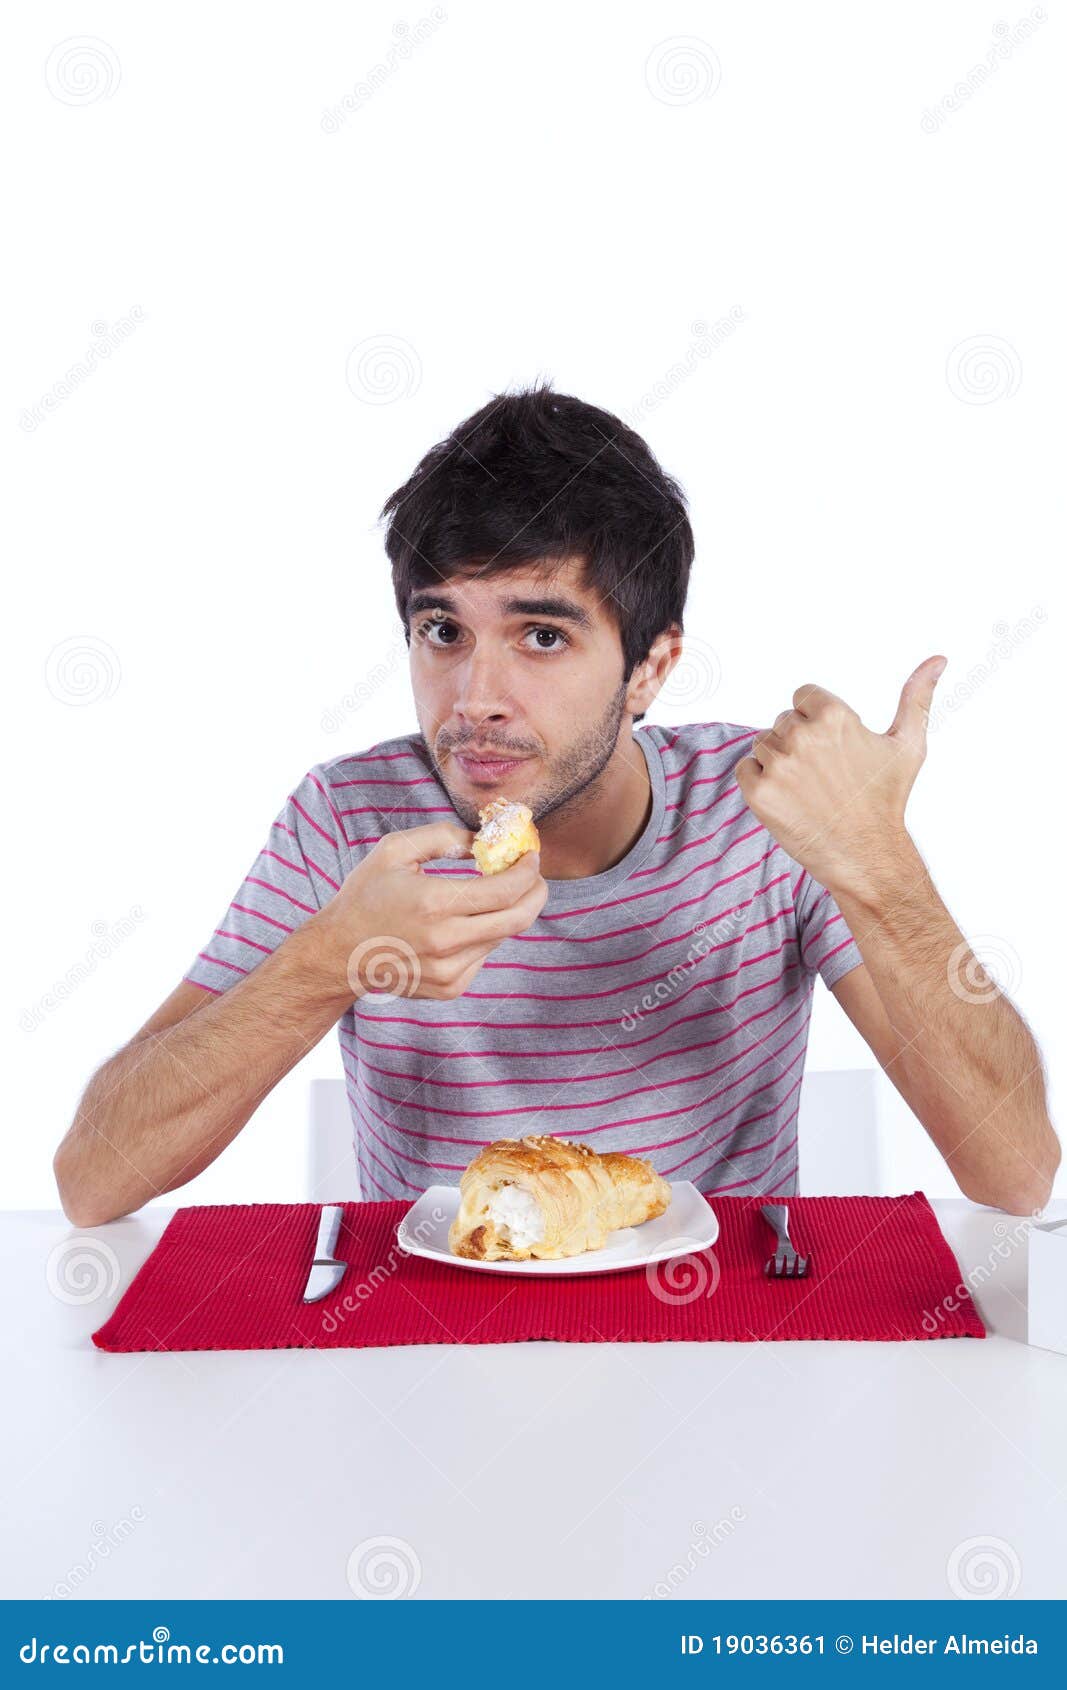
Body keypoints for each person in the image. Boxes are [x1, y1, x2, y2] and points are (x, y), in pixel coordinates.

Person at [53, 382, 1059, 1224]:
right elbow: (92, 1181)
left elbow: (1015, 1172)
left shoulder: (765, 811)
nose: (474, 698)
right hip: (428, 1349)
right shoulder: (349, 819)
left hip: (722, 1350)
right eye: (442, 630)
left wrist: (878, 861)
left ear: (651, 665)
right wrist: (329, 959)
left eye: (541, 636)